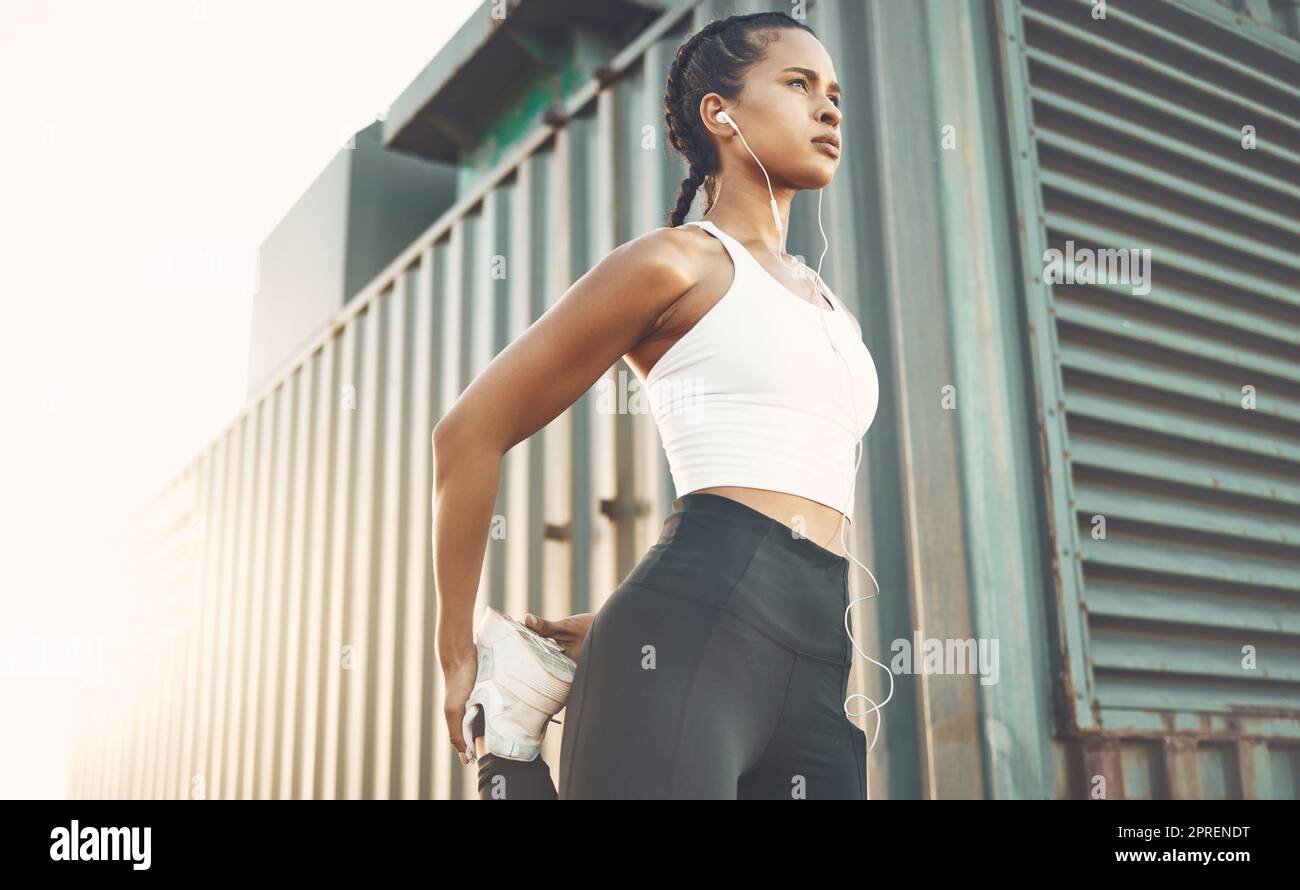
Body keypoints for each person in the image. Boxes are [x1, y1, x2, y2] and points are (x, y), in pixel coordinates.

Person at [432, 10, 880, 800]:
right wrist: (455, 652)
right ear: (721, 113)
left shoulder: (831, 308)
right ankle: (503, 735)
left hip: (818, 658)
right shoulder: (676, 263)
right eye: (799, 83)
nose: (830, 108)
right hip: (691, 645)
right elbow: (468, 432)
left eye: (835, 93)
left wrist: (621, 625)